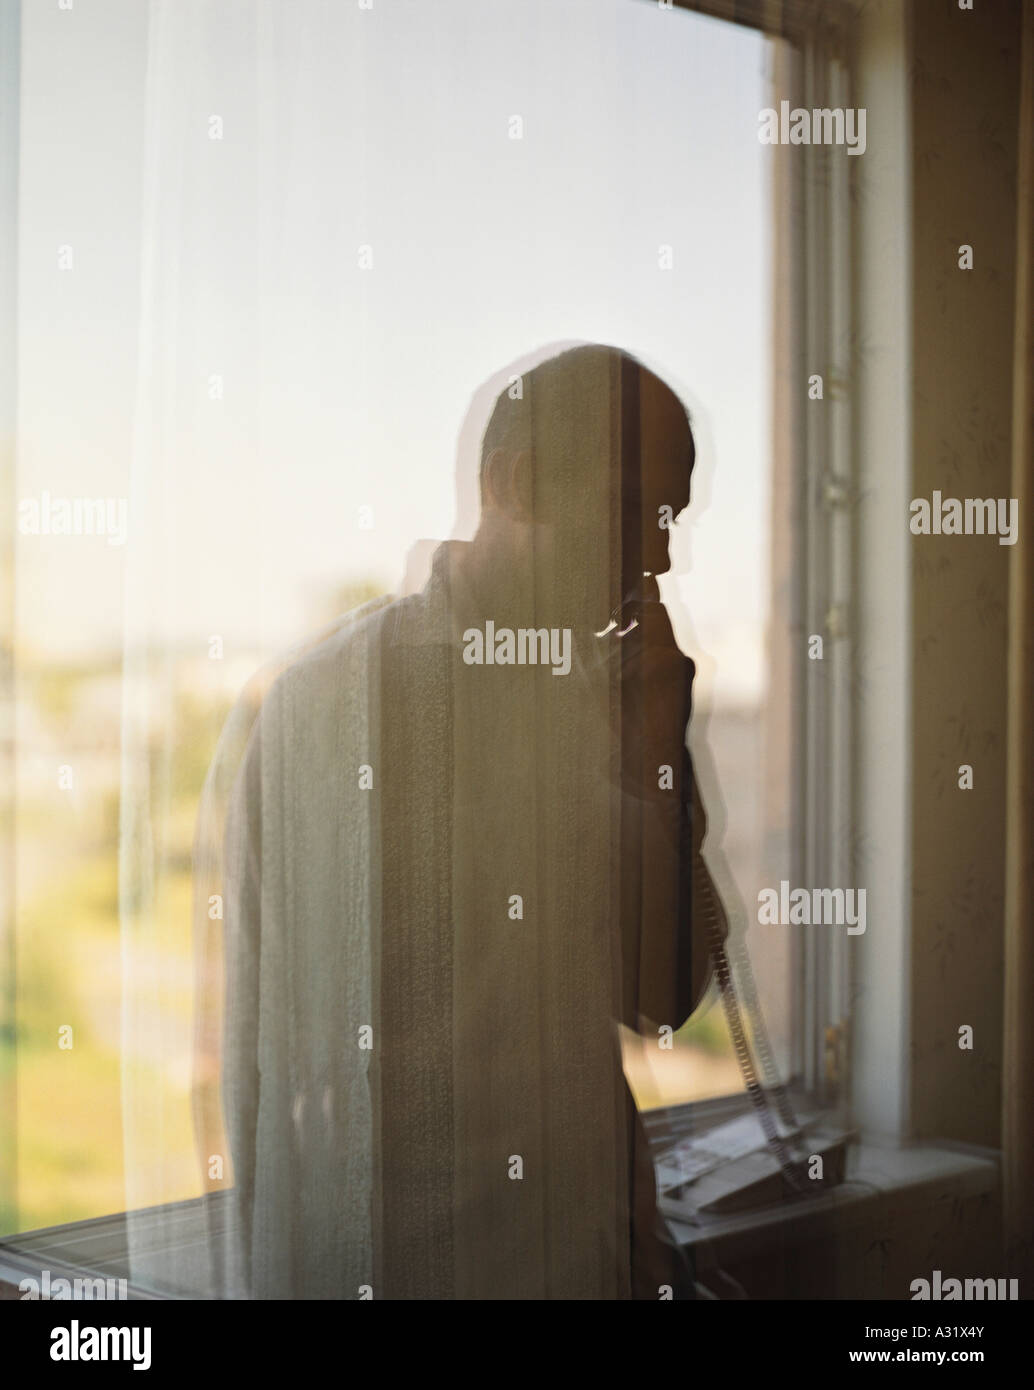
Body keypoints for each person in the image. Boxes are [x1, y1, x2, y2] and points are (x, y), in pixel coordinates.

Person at [206, 342, 723, 1298]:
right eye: (633, 512)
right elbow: (297, 1052)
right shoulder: (340, 704)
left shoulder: (601, 702)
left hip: (594, 1254)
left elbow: (664, 999)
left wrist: (656, 765)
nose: (657, 557)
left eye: (669, 520)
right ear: (516, 483)